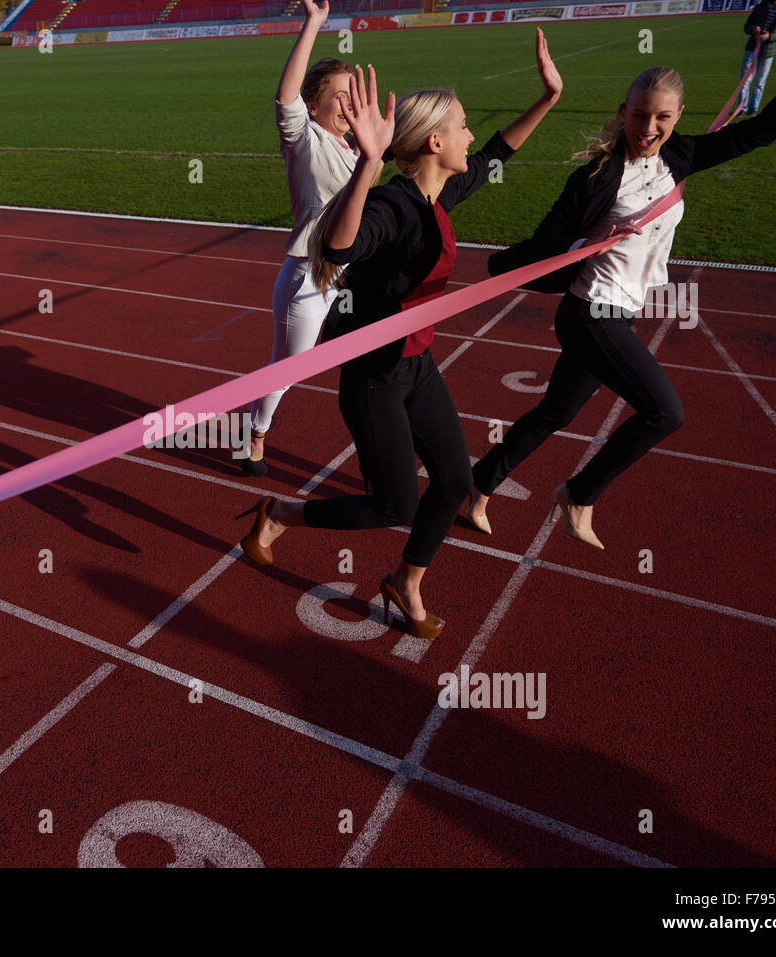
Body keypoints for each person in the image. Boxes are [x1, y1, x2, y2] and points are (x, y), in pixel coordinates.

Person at [467, 0, 776, 549]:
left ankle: (477, 486)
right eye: (639, 116)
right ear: (624, 112)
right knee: (665, 412)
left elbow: (757, 134)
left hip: (620, 311)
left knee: (554, 412)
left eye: (662, 118)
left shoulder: (680, 158)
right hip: (589, 313)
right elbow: (540, 249)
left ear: (678, 117)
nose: (649, 128)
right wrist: (579, 244)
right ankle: (581, 494)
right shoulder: (594, 178)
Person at [237, 31, 563, 638]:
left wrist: (548, 98)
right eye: (462, 126)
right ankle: (279, 513)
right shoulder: (390, 203)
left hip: (416, 364)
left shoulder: (439, 191)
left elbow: (495, 155)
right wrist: (367, 164)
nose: (471, 135)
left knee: (456, 482)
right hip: (375, 376)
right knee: (393, 507)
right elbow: (340, 245)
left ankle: (407, 583)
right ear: (436, 142)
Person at [242, 0, 357, 477]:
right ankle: (256, 434)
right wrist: (313, 23)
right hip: (308, 280)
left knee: (372, 367)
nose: (349, 105)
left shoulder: (359, 150)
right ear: (314, 106)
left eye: (353, 96)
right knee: (287, 371)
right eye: (339, 96)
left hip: (351, 278)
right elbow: (286, 98)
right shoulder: (305, 138)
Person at [741, 0, 776, 114]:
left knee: (760, 81)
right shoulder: (760, 7)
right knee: (745, 79)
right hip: (752, 47)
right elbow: (746, 27)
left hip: (769, 50)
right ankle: (742, 108)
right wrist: (754, 29)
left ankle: (753, 107)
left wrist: (770, 36)